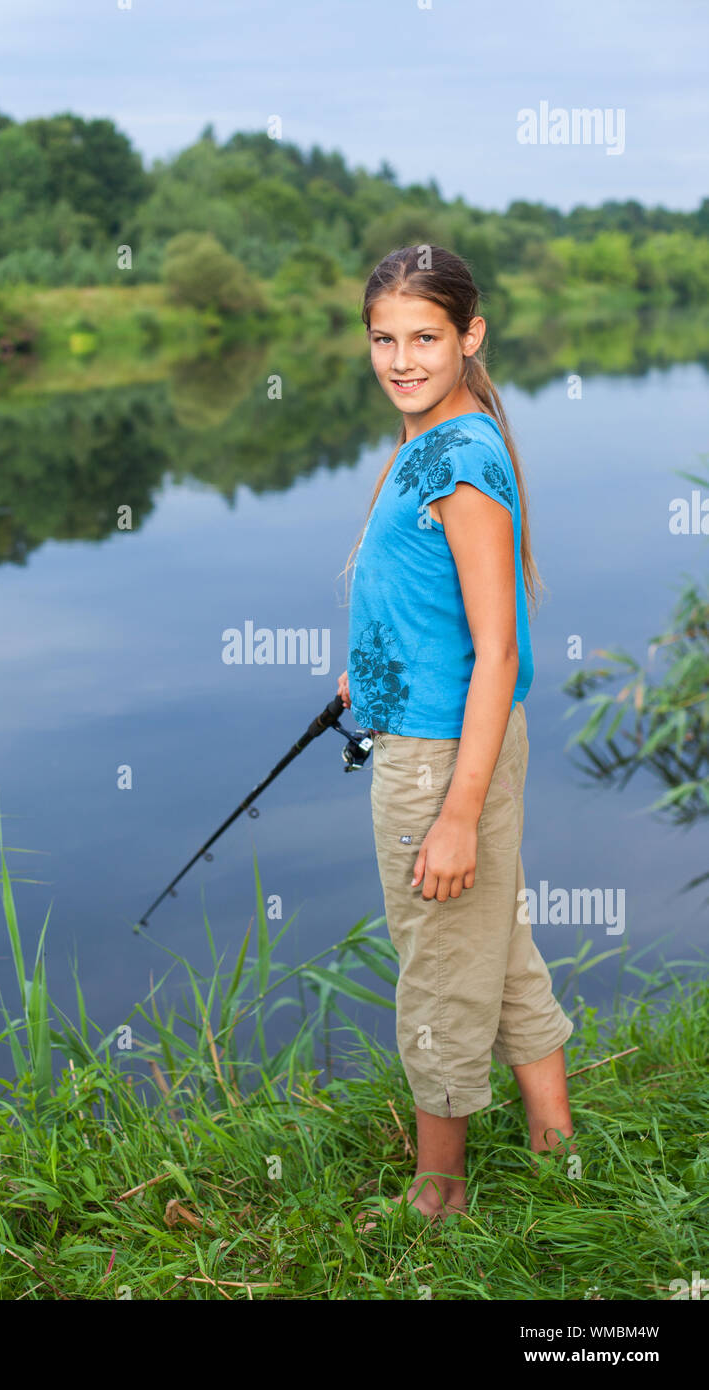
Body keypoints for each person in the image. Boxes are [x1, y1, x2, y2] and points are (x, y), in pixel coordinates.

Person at [338, 243, 574, 1224]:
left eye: (424, 338)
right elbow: (426, 601)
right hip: (441, 731)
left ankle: (438, 1195)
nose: (401, 360)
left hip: (442, 760)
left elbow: (498, 650)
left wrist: (457, 817)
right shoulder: (433, 437)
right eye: (383, 339)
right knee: (494, 943)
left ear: (469, 336)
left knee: (438, 967)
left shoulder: (460, 457)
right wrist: (371, 664)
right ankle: (558, 1145)